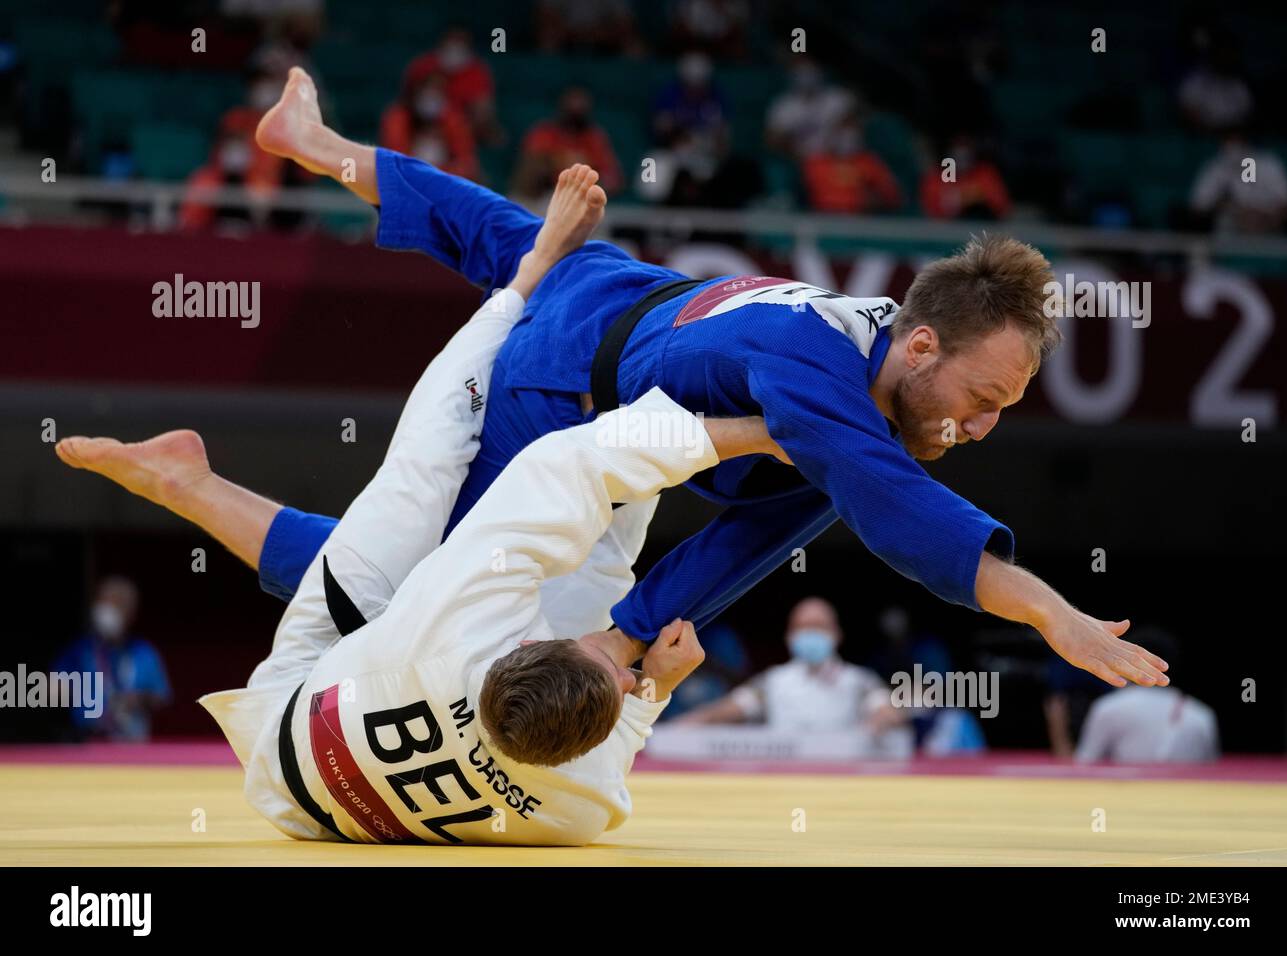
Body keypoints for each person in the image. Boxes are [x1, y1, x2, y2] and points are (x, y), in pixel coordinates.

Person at [246, 68, 1169, 695]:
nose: (984, 427)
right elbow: (908, 519)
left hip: (622, 289)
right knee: (412, 583)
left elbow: (753, 535)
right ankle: (202, 493)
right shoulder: (825, 379)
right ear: (923, 347)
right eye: (985, 401)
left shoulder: (868, 385)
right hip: (557, 386)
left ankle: (318, 141)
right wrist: (1053, 613)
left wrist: (631, 631)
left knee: (490, 227)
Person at [58, 166, 783, 845]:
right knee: (598, 573)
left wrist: (766, 432)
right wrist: (646, 690)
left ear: (518, 643)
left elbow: (565, 466)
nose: (624, 664)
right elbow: (610, 725)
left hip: (295, 709)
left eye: (610, 665)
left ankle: (526, 273)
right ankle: (191, 485)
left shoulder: (471, 646)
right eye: (621, 675)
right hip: (308, 793)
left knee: (422, 479)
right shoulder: (581, 805)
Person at [674, 597, 911, 756]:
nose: (810, 633)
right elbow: (728, 710)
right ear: (790, 637)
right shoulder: (772, 682)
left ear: (836, 634)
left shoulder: (859, 680)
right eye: (803, 627)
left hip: (841, 776)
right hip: (785, 777)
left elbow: (886, 709)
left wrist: (883, 719)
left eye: (819, 626)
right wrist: (679, 728)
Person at [52, 576, 171, 742]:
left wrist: (137, 699)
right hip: (87, 740)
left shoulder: (144, 652)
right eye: (104, 603)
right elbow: (52, 690)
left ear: (131, 612)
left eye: (117, 604)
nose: (108, 611)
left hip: (130, 741)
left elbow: (161, 696)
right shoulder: (79, 651)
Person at [1075, 630, 1219, 764]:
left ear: (1128, 663)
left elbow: (1086, 765)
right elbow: (1217, 773)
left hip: (1126, 789)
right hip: (1186, 790)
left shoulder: (1109, 707)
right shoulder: (1202, 714)